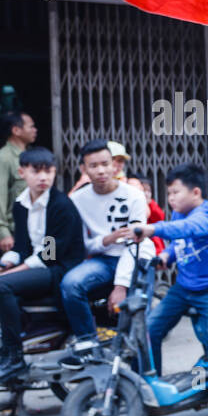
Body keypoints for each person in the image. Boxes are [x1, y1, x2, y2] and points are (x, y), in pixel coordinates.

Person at [132, 162, 208, 416]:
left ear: (196, 193)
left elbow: (186, 231)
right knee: (149, 331)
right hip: (184, 288)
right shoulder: (178, 214)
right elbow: (178, 243)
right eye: (168, 194)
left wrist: (151, 229)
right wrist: (165, 257)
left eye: (175, 193)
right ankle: (152, 391)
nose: (171, 199)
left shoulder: (207, 217)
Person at [59, 140, 153, 367]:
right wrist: (106, 240)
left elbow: (136, 244)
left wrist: (120, 286)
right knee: (70, 284)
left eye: (105, 164)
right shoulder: (77, 200)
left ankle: (147, 376)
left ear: (115, 166)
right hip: (104, 260)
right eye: (93, 166)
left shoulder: (134, 196)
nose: (101, 171)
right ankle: (89, 347)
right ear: (83, 169)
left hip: (136, 260)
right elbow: (82, 245)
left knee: (138, 320)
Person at [0, 147, 85, 384]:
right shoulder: (21, 205)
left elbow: (49, 254)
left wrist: (12, 272)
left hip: (58, 269)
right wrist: (6, 263)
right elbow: (22, 248)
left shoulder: (60, 205)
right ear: (21, 172)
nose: (43, 177)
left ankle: (13, 357)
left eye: (48, 171)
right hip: (37, 265)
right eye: (36, 171)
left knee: (2, 287)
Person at [0, 110, 38, 254]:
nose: (35, 130)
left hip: (36, 230)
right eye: (31, 126)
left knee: (47, 261)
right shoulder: (4, 158)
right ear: (16, 130)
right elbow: (0, 196)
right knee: (15, 268)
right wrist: (3, 233)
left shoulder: (32, 156)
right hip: (15, 232)